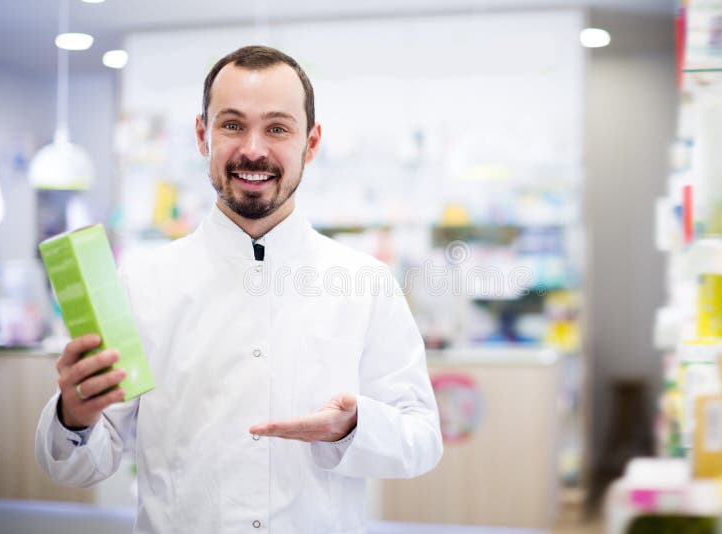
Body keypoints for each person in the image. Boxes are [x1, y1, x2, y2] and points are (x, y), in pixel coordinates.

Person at [35, 45, 443, 533]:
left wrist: (354, 428)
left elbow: (422, 440)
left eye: (277, 128)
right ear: (202, 135)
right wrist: (74, 418)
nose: (253, 149)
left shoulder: (366, 282)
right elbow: (79, 465)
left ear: (310, 144)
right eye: (232, 125)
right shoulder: (139, 282)